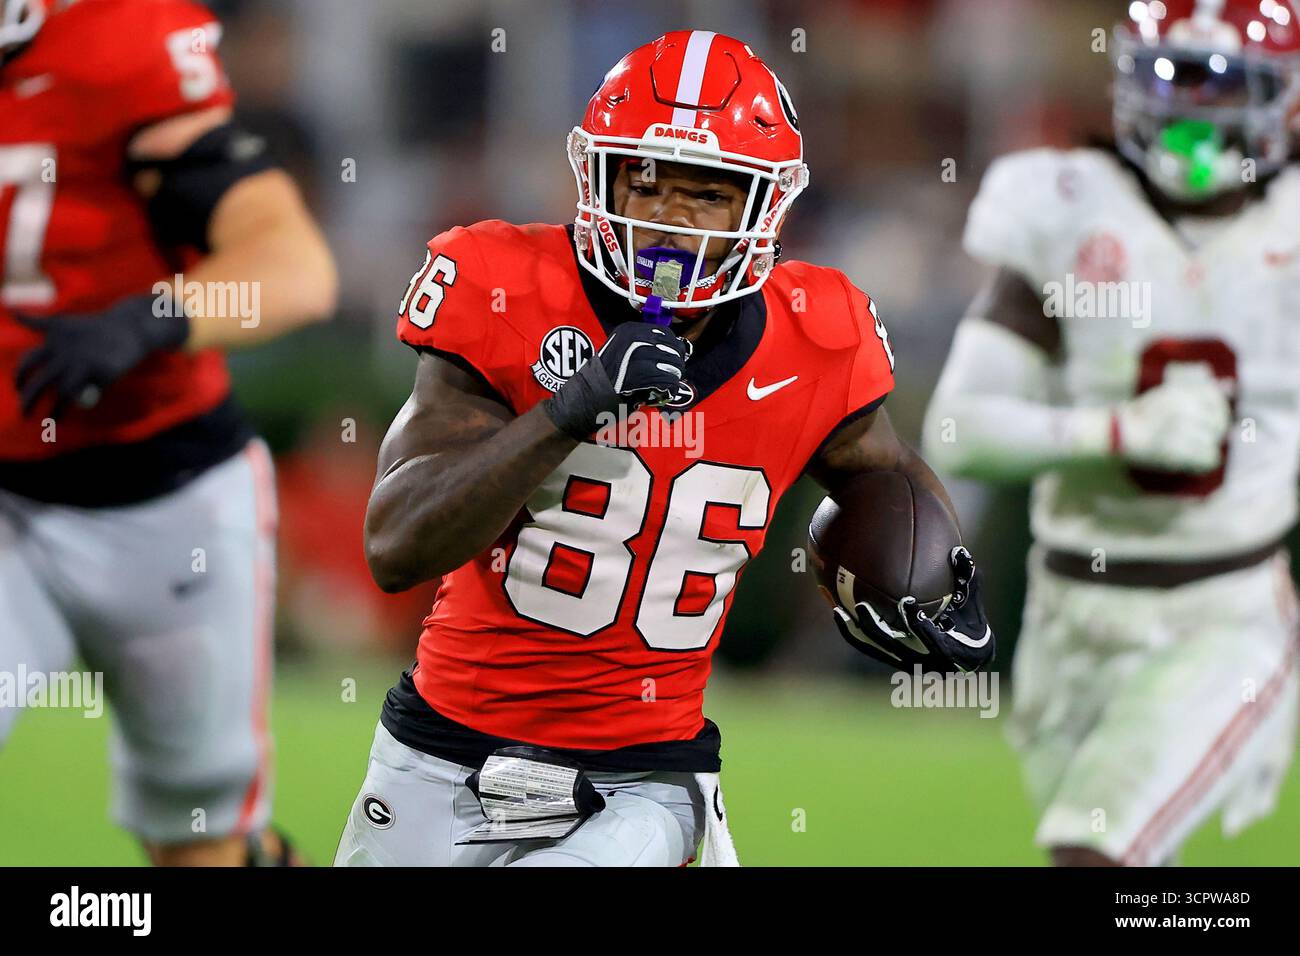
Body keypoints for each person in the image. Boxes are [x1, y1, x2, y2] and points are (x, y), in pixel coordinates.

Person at [336, 30, 992, 868]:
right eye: (644, 182)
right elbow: (395, 547)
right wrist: (567, 411)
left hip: (647, 781)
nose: (670, 220)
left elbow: (886, 474)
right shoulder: (502, 286)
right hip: (444, 759)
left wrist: (942, 578)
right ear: (596, 175)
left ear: (764, 207)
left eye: (707, 194)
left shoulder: (818, 337)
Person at [923, 0, 1300, 866]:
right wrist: (1118, 431)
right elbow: (957, 430)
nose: (1198, 108)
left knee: (1093, 850)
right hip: (1068, 618)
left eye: (1224, 80)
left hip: (1222, 611)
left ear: (1278, 97)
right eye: (1175, 75)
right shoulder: (1068, 204)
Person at [0, 0, 337, 866]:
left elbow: (294, 268)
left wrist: (157, 316)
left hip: (166, 494)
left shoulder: (124, 44)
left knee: (196, 835)